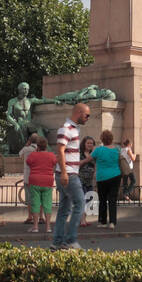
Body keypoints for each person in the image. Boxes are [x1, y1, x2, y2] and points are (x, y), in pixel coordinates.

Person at [53, 102, 91, 251]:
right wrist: (63, 172)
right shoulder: (66, 129)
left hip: (68, 172)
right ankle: (70, 240)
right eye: (87, 115)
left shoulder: (74, 129)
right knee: (80, 204)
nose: (88, 118)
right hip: (68, 174)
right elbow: (60, 151)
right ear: (79, 113)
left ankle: (57, 242)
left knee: (64, 210)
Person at [26, 136, 57, 236]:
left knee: (35, 203)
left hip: (35, 180)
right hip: (47, 181)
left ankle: (35, 227)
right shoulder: (51, 155)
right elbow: (54, 163)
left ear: (37, 146)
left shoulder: (33, 155)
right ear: (46, 146)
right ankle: (48, 227)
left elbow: (28, 163)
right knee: (47, 203)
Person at [90, 129, 121, 230]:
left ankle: (102, 221)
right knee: (112, 200)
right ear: (112, 139)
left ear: (102, 139)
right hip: (115, 175)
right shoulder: (117, 149)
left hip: (102, 177)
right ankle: (112, 222)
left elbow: (89, 159)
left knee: (102, 199)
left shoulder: (98, 150)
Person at [20, 131, 39, 223]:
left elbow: (20, 154)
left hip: (28, 176)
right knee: (38, 197)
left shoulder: (26, 149)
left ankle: (30, 216)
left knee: (29, 198)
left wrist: (26, 145)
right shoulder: (39, 149)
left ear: (30, 140)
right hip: (37, 176)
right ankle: (40, 217)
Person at [78, 135, 97, 227]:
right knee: (82, 200)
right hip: (81, 179)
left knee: (89, 200)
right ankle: (82, 220)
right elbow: (77, 164)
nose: (90, 145)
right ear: (84, 144)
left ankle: (84, 219)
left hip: (90, 180)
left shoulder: (93, 154)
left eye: (92, 143)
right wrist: (86, 160)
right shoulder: (80, 153)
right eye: (88, 143)